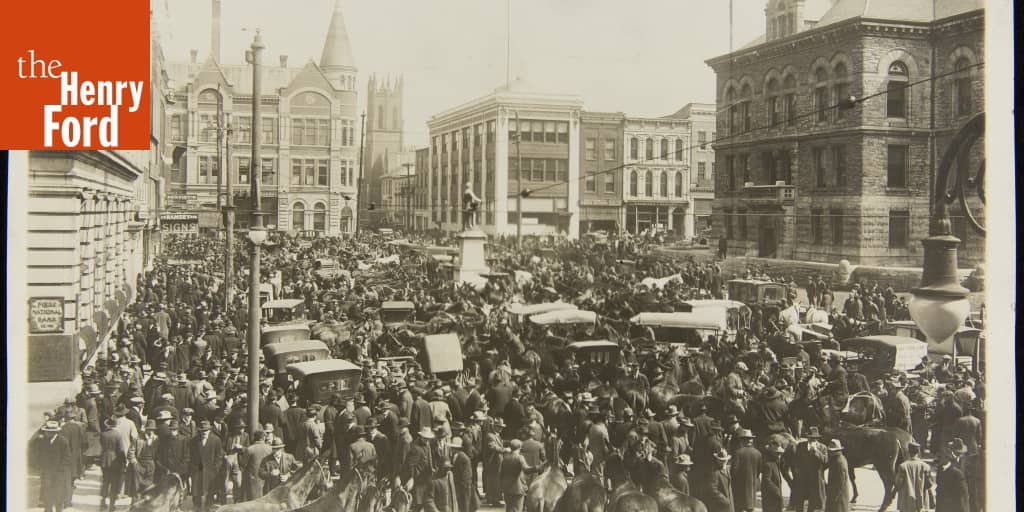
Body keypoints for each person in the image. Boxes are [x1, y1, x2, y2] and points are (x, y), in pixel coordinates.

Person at [189, 420, 225, 511]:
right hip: (197, 471)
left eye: (206, 430)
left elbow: (219, 456)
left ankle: (209, 509)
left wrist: (215, 468)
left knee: (210, 494)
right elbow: (190, 455)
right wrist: (192, 469)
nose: (204, 433)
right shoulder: (194, 441)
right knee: (196, 493)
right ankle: (197, 509)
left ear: (209, 430)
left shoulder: (216, 440)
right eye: (202, 431)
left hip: (210, 472)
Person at [790, 427, 827, 512]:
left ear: (817, 438)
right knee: (799, 502)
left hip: (815, 480)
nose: (812, 440)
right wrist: (797, 473)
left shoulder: (822, 447)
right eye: (811, 438)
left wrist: (817, 452)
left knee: (813, 503)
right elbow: (795, 460)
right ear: (808, 437)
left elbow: (825, 461)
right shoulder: (801, 446)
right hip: (803, 479)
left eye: (814, 438)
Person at [39, 420, 73, 512]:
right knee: (47, 495)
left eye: (47, 432)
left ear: (54, 432)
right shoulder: (43, 441)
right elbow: (40, 455)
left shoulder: (63, 441)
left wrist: (59, 469)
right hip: (47, 473)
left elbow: (67, 458)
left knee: (58, 496)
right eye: (46, 431)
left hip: (59, 474)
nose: (46, 433)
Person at [500, 439, 540, 512]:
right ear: (520, 448)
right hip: (517, 488)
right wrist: (538, 468)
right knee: (518, 509)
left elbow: (501, 474)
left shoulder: (505, 458)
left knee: (509, 509)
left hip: (507, 488)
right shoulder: (519, 457)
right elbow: (526, 470)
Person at [893, 441, 935, 512]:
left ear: (908, 451)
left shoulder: (903, 466)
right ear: (918, 452)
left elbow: (898, 483)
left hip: (906, 501)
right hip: (922, 502)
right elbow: (930, 484)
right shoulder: (926, 466)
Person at [730, 429, 761, 512]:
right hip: (752, 484)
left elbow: (734, 470)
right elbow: (759, 470)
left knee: (739, 507)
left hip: (740, 485)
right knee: (750, 507)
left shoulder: (738, 453)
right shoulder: (757, 453)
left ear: (742, 440)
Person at [694, 448, 734, 512]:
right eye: (721, 460)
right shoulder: (714, 472)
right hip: (720, 505)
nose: (723, 462)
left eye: (725, 460)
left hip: (728, 503)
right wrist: (724, 500)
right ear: (717, 460)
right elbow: (712, 489)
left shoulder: (726, 469)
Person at [241, 429, 272, 501]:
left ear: (255, 438)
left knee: (253, 502)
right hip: (267, 478)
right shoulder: (270, 448)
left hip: (253, 479)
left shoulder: (250, 449)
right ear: (263, 438)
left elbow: (243, 464)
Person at [824, 439, 851, 512]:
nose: (829, 452)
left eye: (831, 451)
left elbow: (840, 482)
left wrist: (834, 497)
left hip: (838, 497)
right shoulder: (836, 459)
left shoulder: (839, 462)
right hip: (835, 495)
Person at [760, 444, 785, 512]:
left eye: (780, 454)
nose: (779, 456)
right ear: (772, 454)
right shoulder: (768, 465)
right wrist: (777, 491)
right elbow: (767, 480)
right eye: (777, 454)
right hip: (770, 497)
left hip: (775, 497)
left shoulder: (776, 463)